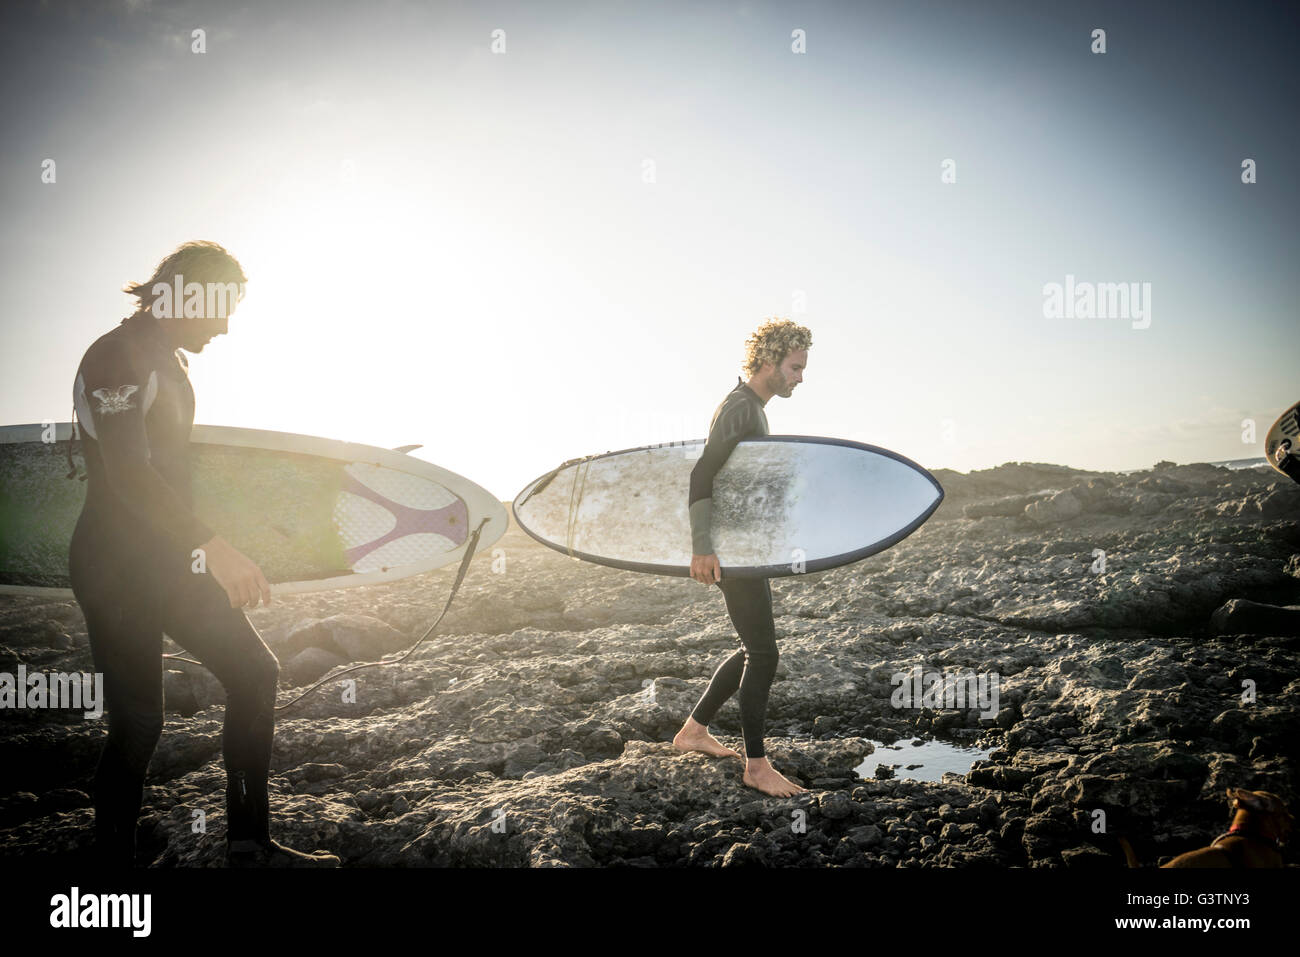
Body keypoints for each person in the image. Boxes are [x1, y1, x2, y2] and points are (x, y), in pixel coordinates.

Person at [70, 240, 338, 867]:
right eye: (222, 309)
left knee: (255, 674)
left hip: (170, 562)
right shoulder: (116, 356)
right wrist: (213, 547)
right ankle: (110, 878)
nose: (224, 326)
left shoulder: (170, 359)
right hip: (116, 567)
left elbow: (174, 471)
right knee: (138, 723)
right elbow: (130, 471)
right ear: (188, 292)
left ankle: (248, 846)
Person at [672, 318, 812, 798]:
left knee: (757, 647)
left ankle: (693, 732)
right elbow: (702, 475)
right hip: (729, 549)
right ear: (769, 361)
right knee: (764, 653)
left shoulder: (750, 407)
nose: (799, 377)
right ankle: (756, 766)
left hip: (742, 547)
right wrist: (702, 547)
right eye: (795, 367)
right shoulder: (740, 408)